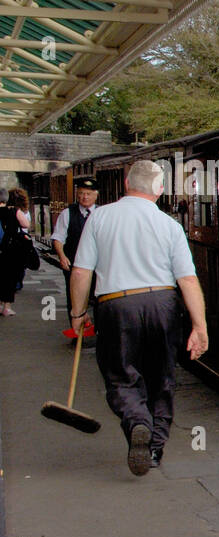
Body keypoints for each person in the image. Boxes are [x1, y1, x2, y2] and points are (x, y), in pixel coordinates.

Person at [69, 160, 209, 475]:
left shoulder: (100, 217)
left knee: (121, 375)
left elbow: (81, 272)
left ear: (126, 182)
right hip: (162, 301)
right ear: (159, 190)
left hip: (116, 305)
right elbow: (187, 279)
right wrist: (199, 327)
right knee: (161, 377)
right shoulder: (169, 225)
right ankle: (155, 448)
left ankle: (137, 424)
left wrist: (77, 314)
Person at [53, 177, 99, 327]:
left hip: (98, 265)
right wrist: (62, 256)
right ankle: (76, 331)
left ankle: (98, 331)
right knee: (74, 298)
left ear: (96, 195)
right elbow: (58, 238)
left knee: (99, 298)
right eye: (81, 193)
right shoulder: (67, 213)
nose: (84, 197)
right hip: (74, 264)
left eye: (88, 193)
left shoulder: (101, 214)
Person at [0, 188, 33, 316]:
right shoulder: (14, 211)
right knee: (9, 278)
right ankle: (6, 307)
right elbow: (26, 225)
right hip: (10, 250)